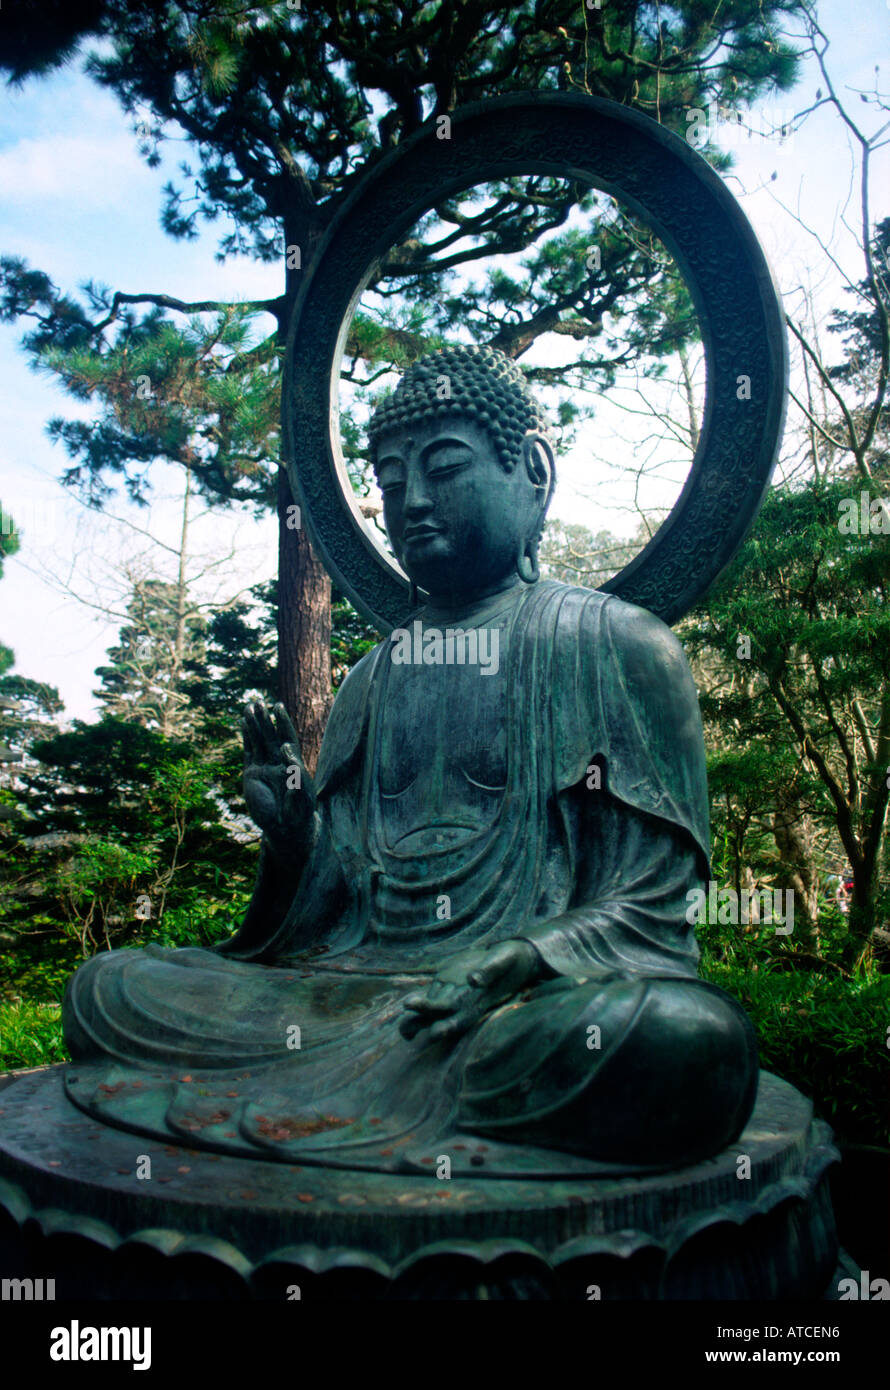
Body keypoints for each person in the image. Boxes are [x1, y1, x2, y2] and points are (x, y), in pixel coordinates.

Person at [63, 345, 758, 1173]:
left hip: (515, 1005)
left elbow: (659, 908)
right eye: (390, 484)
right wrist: (296, 839)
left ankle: (332, 1101)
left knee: (687, 1041)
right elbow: (339, 907)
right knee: (111, 988)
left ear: (533, 472)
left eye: (445, 468)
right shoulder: (373, 678)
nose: (412, 501)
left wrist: (526, 956)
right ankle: (387, 1103)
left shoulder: (616, 645)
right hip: (343, 997)